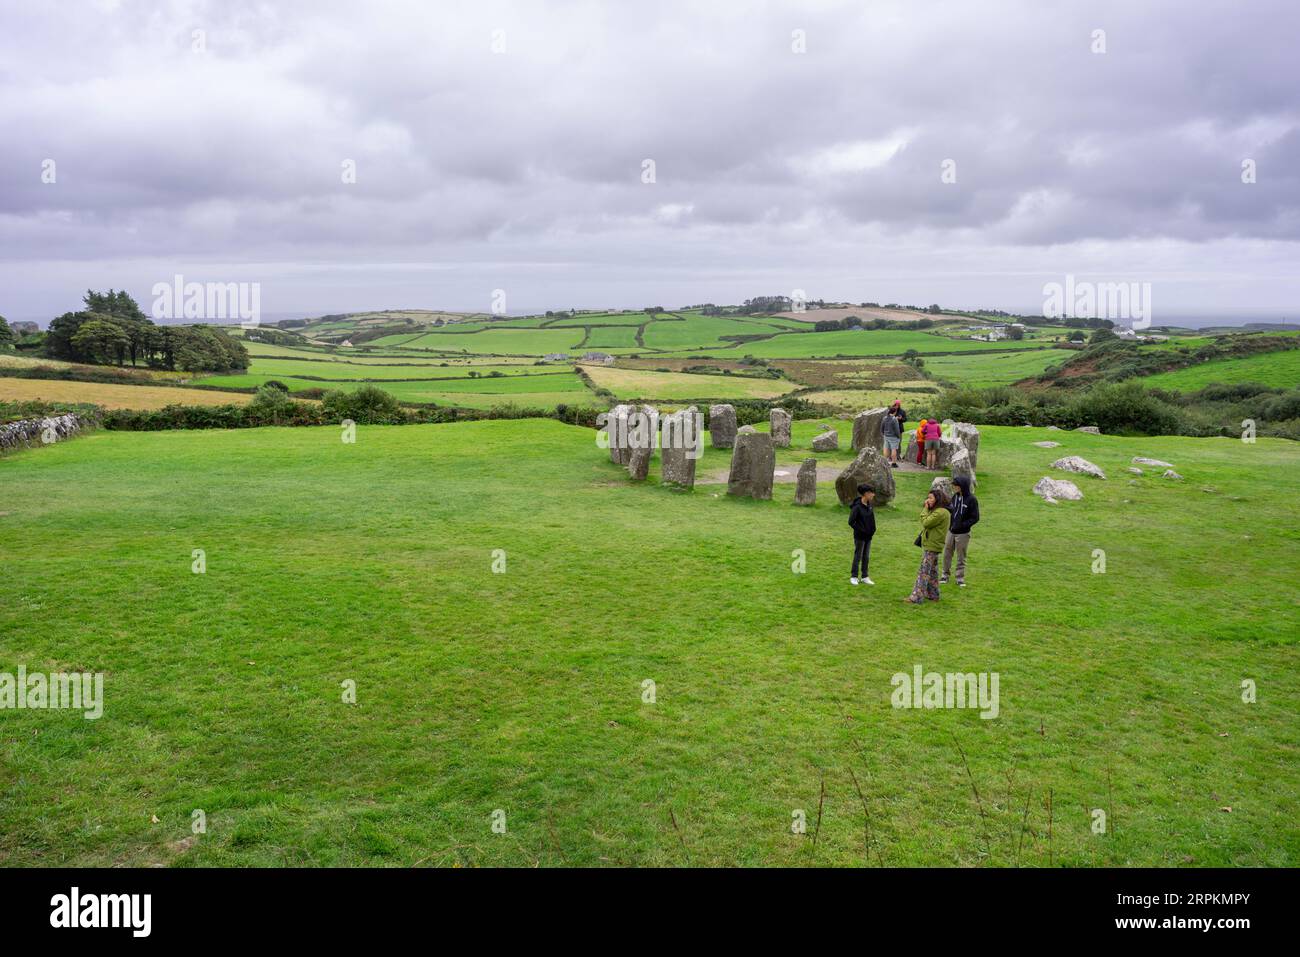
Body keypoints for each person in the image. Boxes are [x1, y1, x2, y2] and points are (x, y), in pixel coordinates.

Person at [905, 489, 950, 604]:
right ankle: (933, 595)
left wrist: (925, 508)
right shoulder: (940, 511)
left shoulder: (940, 512)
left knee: (923, 572)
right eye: (928, 497)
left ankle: (916, 597)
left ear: (937, 499)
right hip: (933, 545)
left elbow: (926, 522)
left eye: (931, 498)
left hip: (932, 546)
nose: (928, 500)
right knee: (932, 572)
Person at [942, 475, 980, 587]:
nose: (953, 487)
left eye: (955, 485)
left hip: (963, 533)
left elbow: (975, 517)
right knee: (947, 553)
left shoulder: (972, 500)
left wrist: (963, 525)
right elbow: (953, 510)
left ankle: (960, 578)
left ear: (962, 486)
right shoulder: (955, 496)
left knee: (961, 556)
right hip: (951, 531)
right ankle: (945, 575)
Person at [848, 483, 876, 585]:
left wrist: (872, 530)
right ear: (866, 494)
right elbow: (851, 522)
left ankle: (865, 576)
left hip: (869, 536)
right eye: (871, 493)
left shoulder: (869, 505)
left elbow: (872, 519)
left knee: (866, 556)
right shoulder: (857, 507)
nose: (873, 495)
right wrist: (861, 530)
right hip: (860, 536)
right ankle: (854, 576)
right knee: (858, 556)